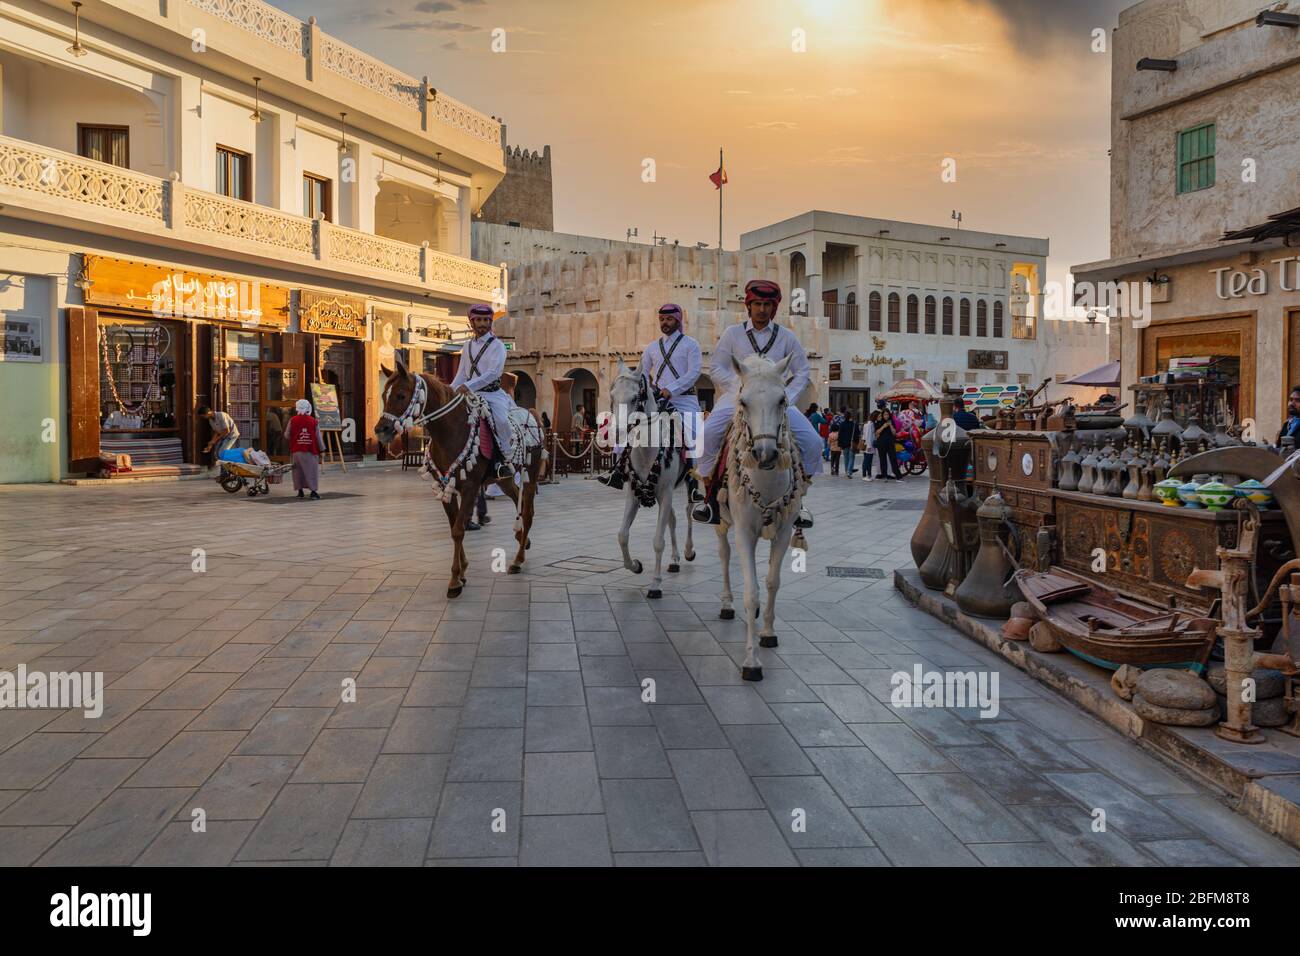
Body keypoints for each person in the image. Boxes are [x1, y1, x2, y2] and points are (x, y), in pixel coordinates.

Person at [692, 279, 820, 526]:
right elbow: (717, 366)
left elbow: (802, 371)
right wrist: (739, 388)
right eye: (757, 304)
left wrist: (787, 398)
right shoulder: (733, 334)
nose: (762, 309)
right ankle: (708, 498)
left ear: (774, 308)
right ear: (748, 306)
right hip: (738, 399)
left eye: (767, 305)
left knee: (813, 442)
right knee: (706, 436)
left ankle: (799, 500)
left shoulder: (786, 337)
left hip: (775, 402)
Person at [599, 303, 702, 489]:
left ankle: (693, 484)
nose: (665, 322)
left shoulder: (691, 345)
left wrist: (672, 388)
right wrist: (648, 390)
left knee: (693, 433)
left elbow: (693, 373)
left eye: (669, 319)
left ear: (677, 321)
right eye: (662, 319)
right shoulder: (652, 348)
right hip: (659, 400)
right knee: (629, 424)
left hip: (685, 400)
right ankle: (617, 471)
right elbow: (643, 375)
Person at [452, 303, 513, 478]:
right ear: (472, 322)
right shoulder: (467, 346)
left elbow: (494, 373)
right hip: (470, 395)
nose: (482, 324)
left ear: (490, 322)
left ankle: (505, 459)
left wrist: (468, 386)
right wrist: (448, 391)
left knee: (501, 420)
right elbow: (461, 375)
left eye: (486, 320)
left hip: (492, 395)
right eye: (478, 320)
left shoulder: (498, 346)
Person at [286, 398, 324, 499]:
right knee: (311, 471)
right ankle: (313, 492)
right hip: (310, 450)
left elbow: (286, 434)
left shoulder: (292, 420)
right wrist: (322, 449)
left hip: (296, 450)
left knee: (298, 471)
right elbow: (318, 437)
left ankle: (300, 491)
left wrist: (295, 438)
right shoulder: (313, 421)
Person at [873, 405, 903, 479]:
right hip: (881, 443)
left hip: (890, 442)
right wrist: (884, 426)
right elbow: (877, 432)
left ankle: (898, 475)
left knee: (893, 458)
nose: (886, 416)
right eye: (885, 414)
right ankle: (884, 475)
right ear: (882, 415)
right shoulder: (879, 422)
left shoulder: (891, 421)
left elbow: (894, 433)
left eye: (887, 414)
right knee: (882, 459)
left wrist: (890, 426)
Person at [835, 408, 860, 478]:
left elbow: (840, 435)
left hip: (844, 444)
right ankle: (849, 472)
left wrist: (840, 444)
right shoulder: (854, 424)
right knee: (851, 458)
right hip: (852, 443)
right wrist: (857, 442)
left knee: (846, 458)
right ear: (851, 416)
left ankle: (847, 471)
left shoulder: (842, 424)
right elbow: (857, 433)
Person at [859, 411, 877, 481]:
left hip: (867, 444)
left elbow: (864, 435)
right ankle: (865, 475)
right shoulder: (870, 425)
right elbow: (868, 435)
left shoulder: (867, 424)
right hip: (869, 445)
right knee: (867, 461)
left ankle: (868, 475)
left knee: (868, 460)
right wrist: (869, 445)